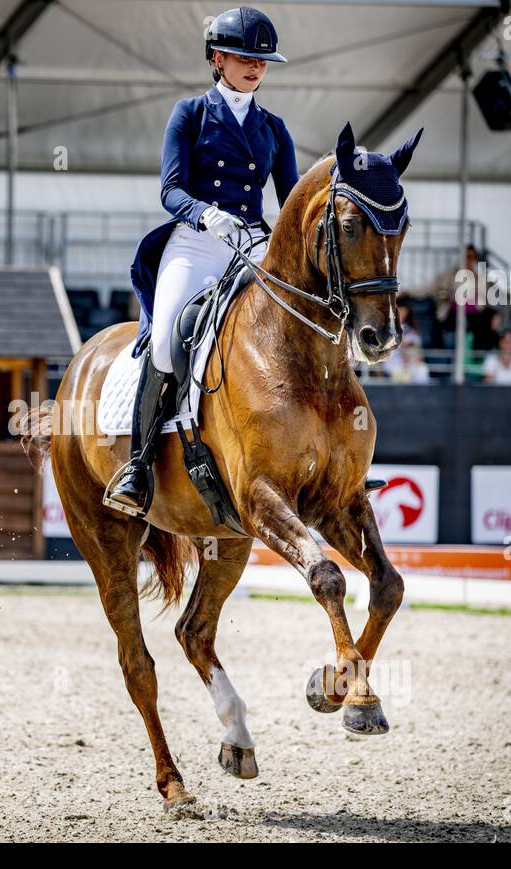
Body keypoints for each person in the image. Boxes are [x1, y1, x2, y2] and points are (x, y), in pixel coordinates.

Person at [111, 5, 296, 517]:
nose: (255, 68)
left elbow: (291, 200)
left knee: (304, 325)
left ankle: (334, 455)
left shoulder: (274, 129)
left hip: (252, 245)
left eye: (262, 61)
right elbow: (169, 190)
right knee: (170, 342)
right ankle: (138, 465)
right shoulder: (190, 113)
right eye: (243, 57)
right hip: (196, 241)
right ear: (217, 58)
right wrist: (205, 215)